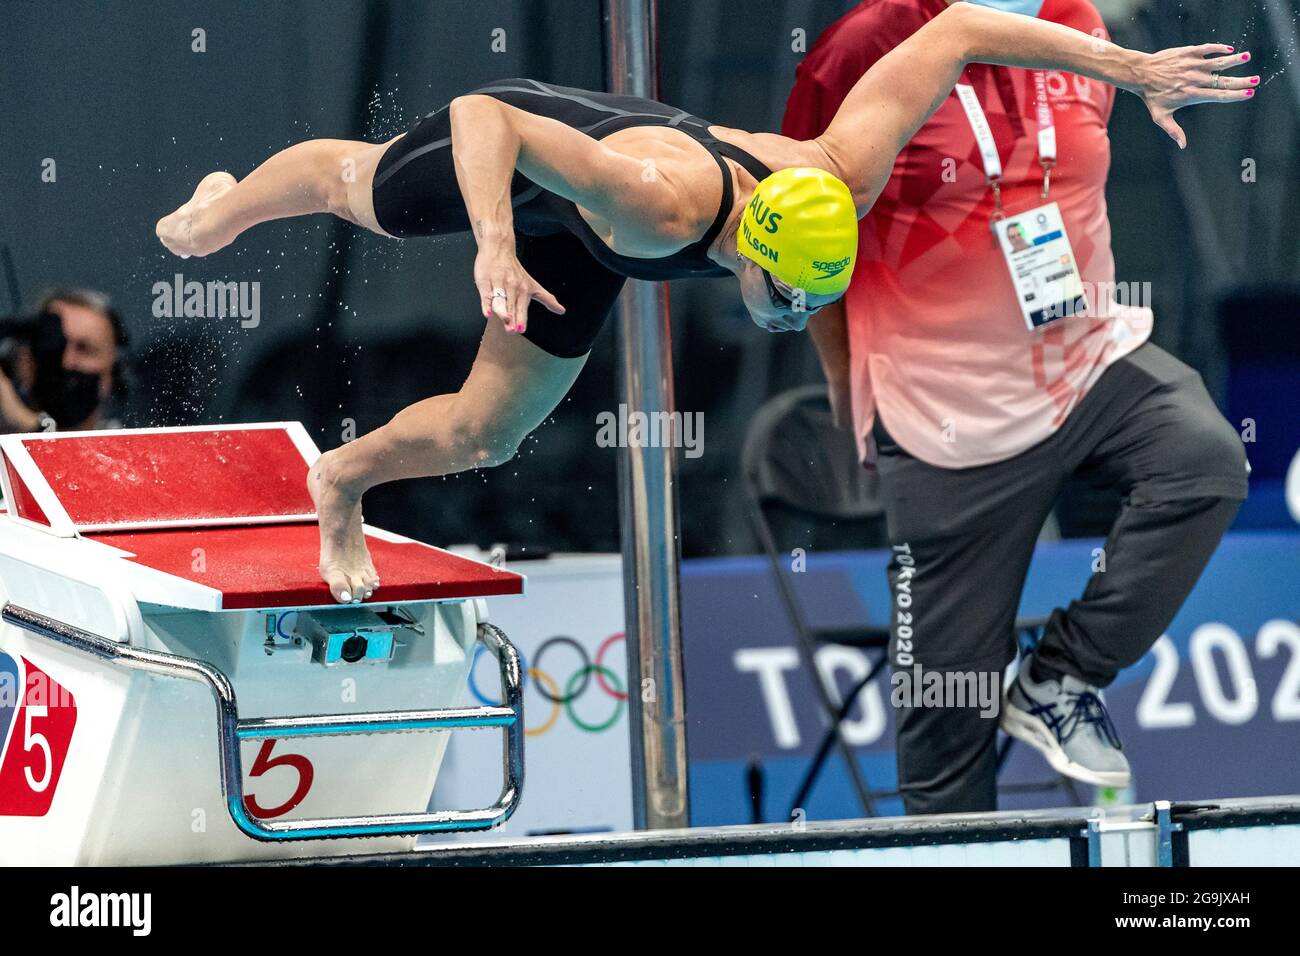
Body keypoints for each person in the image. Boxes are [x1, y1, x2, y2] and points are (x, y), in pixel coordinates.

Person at [155, 2, 1254, 607]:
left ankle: (338, 477)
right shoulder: (661, 199)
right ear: (748, 251)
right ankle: (220, 216)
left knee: (486, 430)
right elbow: (489, 113)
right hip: (540, 164)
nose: (786, 315)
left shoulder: (841, 167)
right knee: (365, 192)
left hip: (591, 236)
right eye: (784, 301)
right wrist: (492, 239)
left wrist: (1125, 67)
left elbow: (955, 29)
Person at [782, 0, 1254, 812]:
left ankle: (1060, 678)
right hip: (941, 411)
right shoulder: (860, 47)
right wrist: (844, 379)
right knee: (945, 745)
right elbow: (798, 233)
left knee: (1204, 462)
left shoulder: (1082, 26)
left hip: (1086, 368)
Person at [0, 288, 128, 434]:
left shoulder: (133, 448)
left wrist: (31, 428)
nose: (67, 361)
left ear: (113, 370)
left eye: (84, 349)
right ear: (26, 359)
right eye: (55, 346)